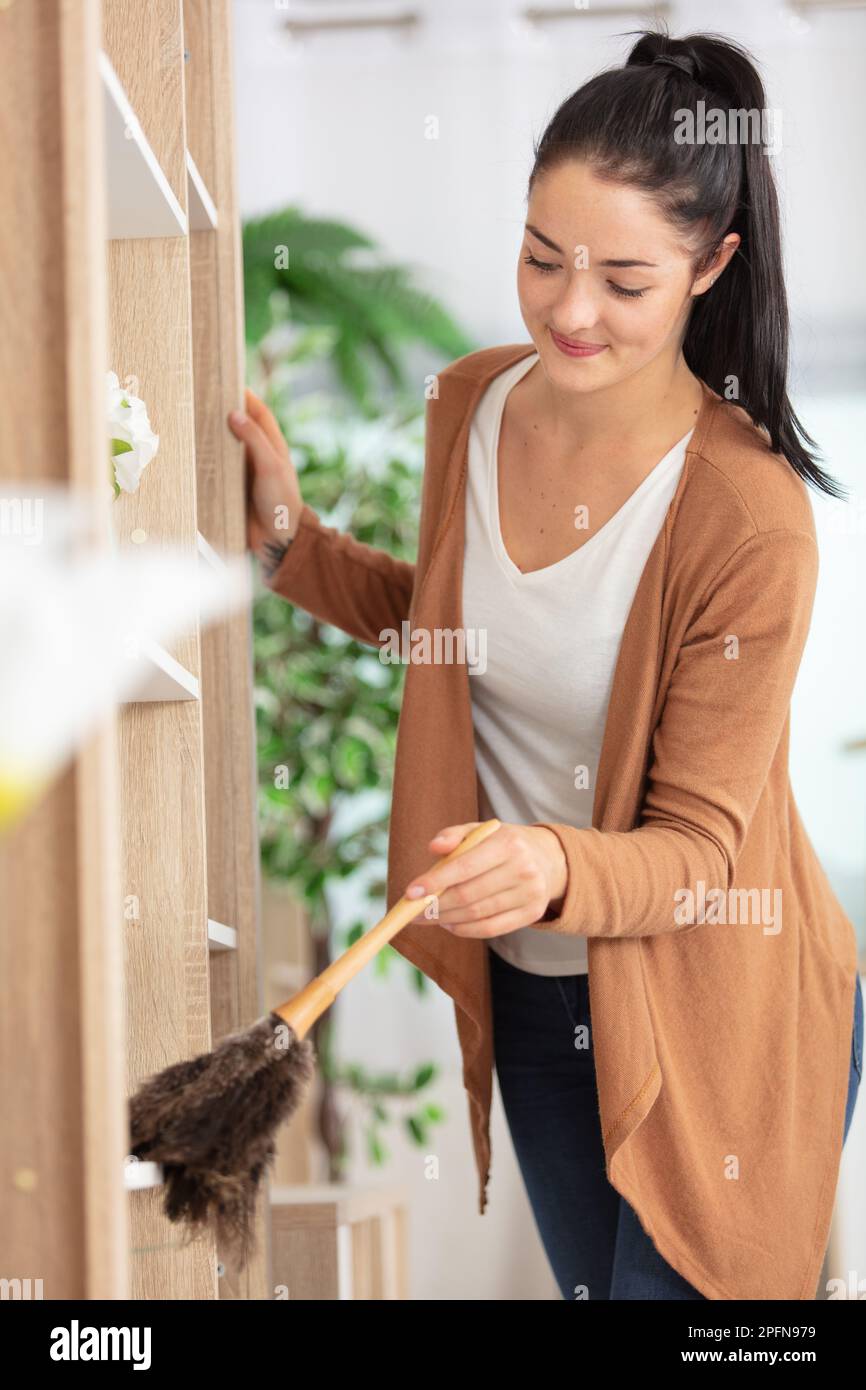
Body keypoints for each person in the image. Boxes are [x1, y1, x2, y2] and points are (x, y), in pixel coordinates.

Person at [228, 28, 863, 1300]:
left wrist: (548, 860)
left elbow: (695, 854)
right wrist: (292, 543)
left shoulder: (745, 517)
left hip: (716, 1009)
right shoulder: (473, 401)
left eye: (623, 280)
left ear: (709, 267)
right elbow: (465, 635)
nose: (569, 310)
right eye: (539, 257)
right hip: (535, 995)